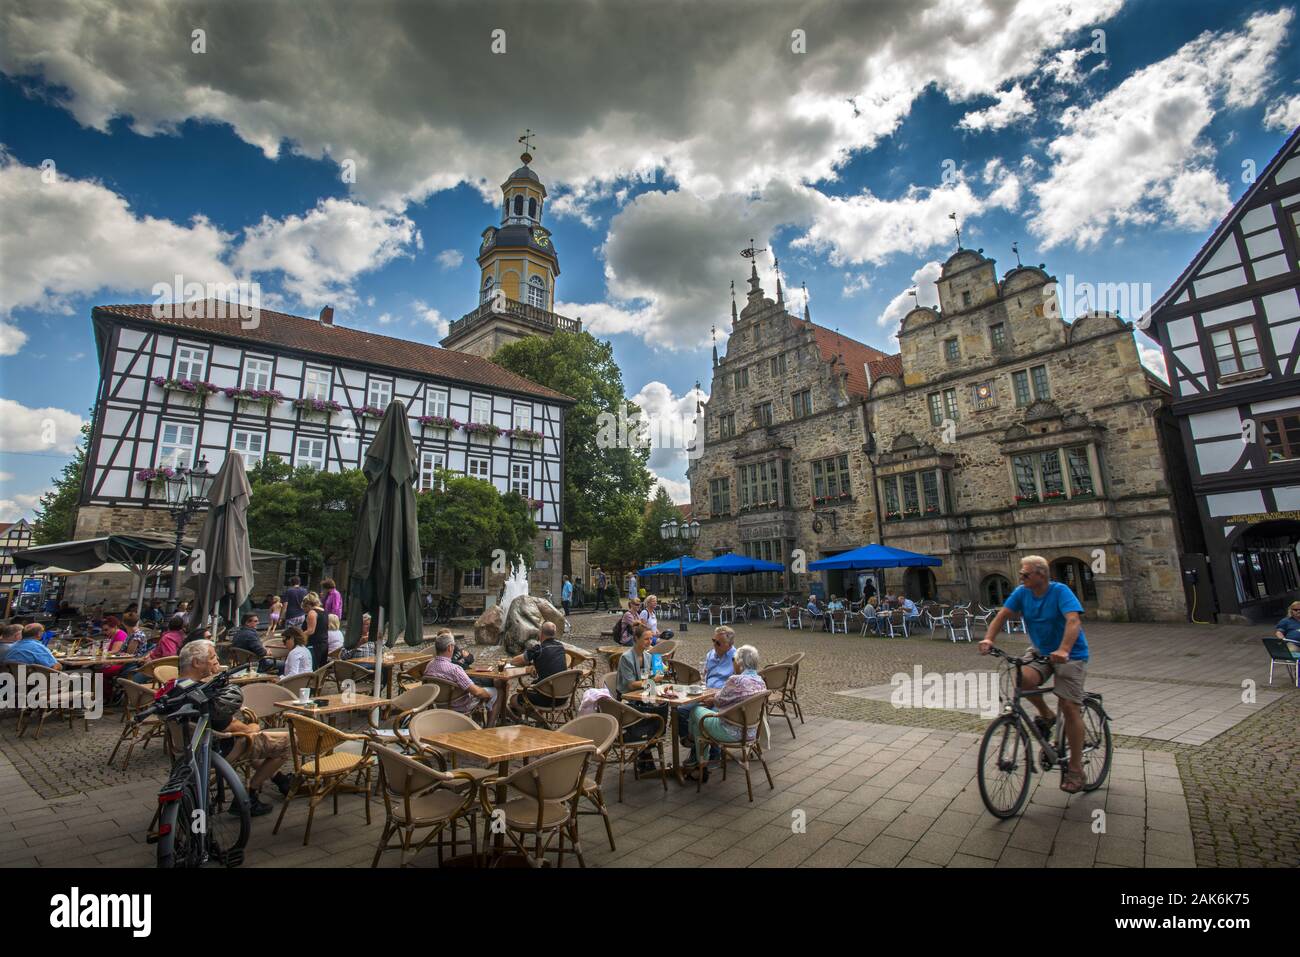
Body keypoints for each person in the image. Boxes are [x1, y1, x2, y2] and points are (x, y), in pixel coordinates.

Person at [979, 554, 1090, 794]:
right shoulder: (1021, 593)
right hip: (1041, 651)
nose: (1021, 576)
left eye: (1025, 574)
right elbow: (1001, 616)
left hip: (1071, 653)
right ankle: (1046, 715)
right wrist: (989, 638)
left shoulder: (1060, 592)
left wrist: (1064, 649)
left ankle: (1075, 767)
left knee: (1069, 707)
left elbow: (1073, 622)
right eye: (1021, 573)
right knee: (1023, 678)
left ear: (1041, 574)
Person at [163, 639, 290, 816]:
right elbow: (234, 727)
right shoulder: (203, 696)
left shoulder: (170, 688)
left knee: (254, 744)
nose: (216, 661)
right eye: (213, 657)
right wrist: (253, 727)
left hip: (183, 751)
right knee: (288, 742)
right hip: (217, 751)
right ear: (196, 663)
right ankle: (250, 794)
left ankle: (280, 779)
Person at [685, 644, 766, 776]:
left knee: (695, 711)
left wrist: (711, 700)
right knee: (700, 722)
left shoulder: (735, 680)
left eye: (733, 660)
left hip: (729, 732)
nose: (732, 663)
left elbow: (719, 699)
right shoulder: (760, 681)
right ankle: (700, 762)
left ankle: (699, 760)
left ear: (740, 663)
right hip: (751, 731)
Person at [615, 623, 669, 771]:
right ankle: (645, 749)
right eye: (646, 639)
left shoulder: (648, 655)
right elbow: (631, 684)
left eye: (651, 639)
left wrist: (662, 664)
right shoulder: (626, 658)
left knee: (663, 706)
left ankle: (648, 746)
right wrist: (652, 681)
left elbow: (661, 673)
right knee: (652, 713)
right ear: (636, 639)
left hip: (644, 695)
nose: (649, 642)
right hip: (628, 699)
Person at [676, 624, 737, 756]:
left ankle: (710, 754)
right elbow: (706, 676)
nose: (714, 644)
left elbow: (735, 689)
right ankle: (693, 742)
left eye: (718, 643)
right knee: (680, 711)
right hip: (705, 693)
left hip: (722, 699)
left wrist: (715, 700)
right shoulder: (711, 654)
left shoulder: (736, 658)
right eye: (713, 641)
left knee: (703, 717)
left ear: (729, 644)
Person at [423, 633, 497, 723]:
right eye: (454, 646)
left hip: (439, 704)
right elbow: (477, 692)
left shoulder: (429, 666)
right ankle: (490, 727)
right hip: (460, 706)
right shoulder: (455, 669)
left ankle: (477, 721)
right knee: (497, 692)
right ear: (450, 647)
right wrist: (488, 694)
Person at [506, 621, 569, 717]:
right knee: (532, 686)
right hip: (563, 696)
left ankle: (539, 720)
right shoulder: (561, 647)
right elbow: (550, 661)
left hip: (548, 698)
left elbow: (515, 661)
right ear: (554, 634)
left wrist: (528, 662)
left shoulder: (539, 649)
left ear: (540, 633)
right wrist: (535, 664)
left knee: (514, 699)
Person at [302, 592, 329, 670]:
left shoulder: (312, 613)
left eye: (304, 608)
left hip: (314, 645)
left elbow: (311, 631)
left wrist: (298, 634)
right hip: (324, 644)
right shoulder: (324, 611)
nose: (304, 610)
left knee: (312, 668)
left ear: (307, 605)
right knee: (320, 669)